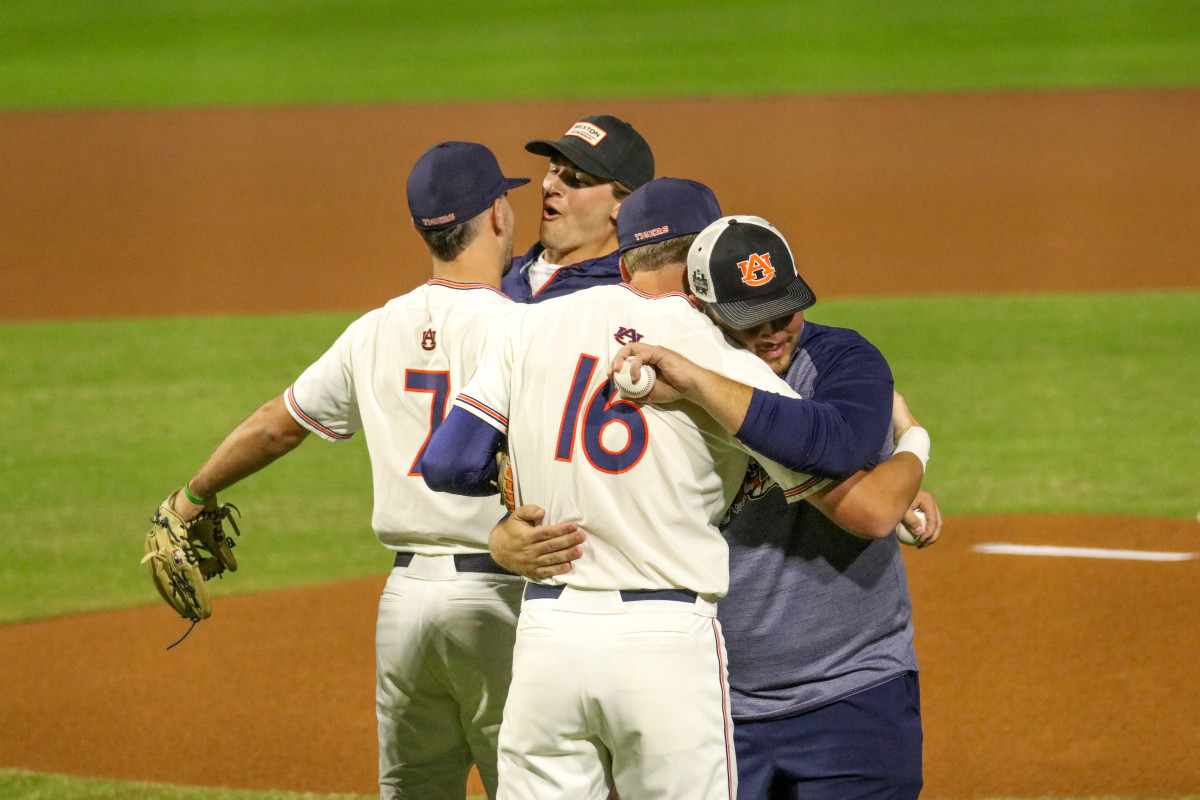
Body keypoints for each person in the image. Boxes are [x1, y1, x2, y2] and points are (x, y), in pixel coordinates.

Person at [420, 179, 930, 799]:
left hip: (563, 640)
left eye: (782, 308)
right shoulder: (712, 354)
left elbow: (449, 463)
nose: (770, 332)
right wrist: (912, 442)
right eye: (750, 314)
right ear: (703, 280)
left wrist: (510, 511)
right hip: (678, 657)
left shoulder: (538, 329)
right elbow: (846, 469)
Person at [158, 141, 531, 800]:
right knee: (533, 787)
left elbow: (277, 425)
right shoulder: (521, 333)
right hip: (499, 601)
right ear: (498, 216)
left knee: (413, 787)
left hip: (405, 607)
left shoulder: (373, 330)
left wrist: (190, 497)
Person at [501, 114, 655, 303]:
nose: (551, 186)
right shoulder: (498, 276)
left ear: (624, 205)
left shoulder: (625, 298)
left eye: (578, 180)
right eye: (553, 170)